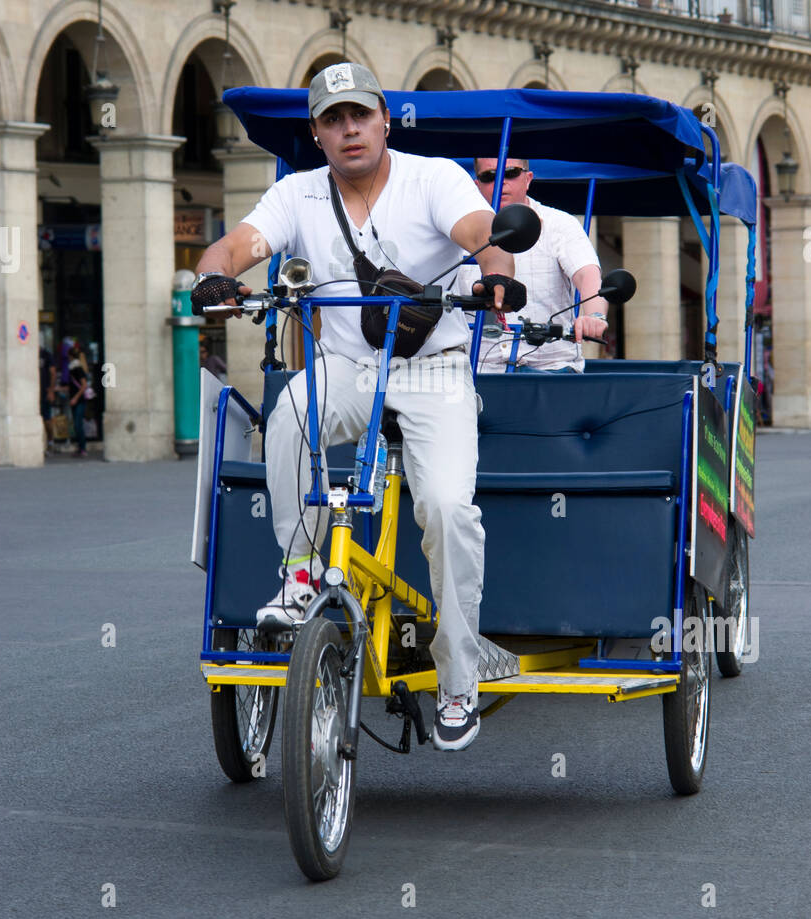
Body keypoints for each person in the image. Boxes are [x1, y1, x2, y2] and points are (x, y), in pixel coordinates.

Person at [190, 62, 526, 751]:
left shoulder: (433, 179)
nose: (349, 130)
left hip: (433, 370)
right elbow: (236, 245)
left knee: (446, 509)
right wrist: (211, 275)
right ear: (317, 133)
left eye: (360, 115)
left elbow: (483, 236)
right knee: (287, 418)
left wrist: (495, 277)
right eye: (334, 119)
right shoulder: (298, 195)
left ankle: (458, 677)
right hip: (346, 366)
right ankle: (303, 570)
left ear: (382, 119)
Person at [458, 157, 608, 370]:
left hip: (550, 366)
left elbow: (587, 274)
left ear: (528, 179)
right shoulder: (458, 230)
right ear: (477, 184)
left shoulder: (560, 224)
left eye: (510, 173)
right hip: (477, 369)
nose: (500, 181)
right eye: (489, 176)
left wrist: (594, 316)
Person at [67, 346, 89, 457]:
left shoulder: (77, 368)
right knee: (77, 425)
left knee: (77, 424)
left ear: (70, 356)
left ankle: (83, 448)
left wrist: (75, 397)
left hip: (79, 400)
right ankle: (81, 447)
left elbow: (84, 385)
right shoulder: (74, 368)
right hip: (77, 400)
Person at [39, 344, 57, 454]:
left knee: (47, 420)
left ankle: (50, 441)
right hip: (34, 393)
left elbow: (53, 373)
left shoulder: (46, 355)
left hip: (45, 392)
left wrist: (51, 391)